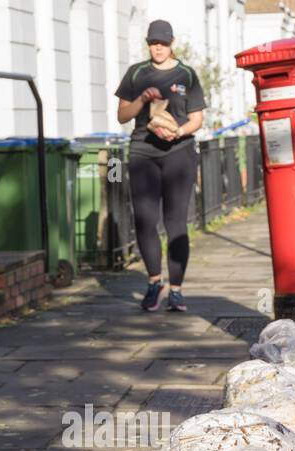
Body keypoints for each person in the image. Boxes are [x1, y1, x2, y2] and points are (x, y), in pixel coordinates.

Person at [115, 19, 206, 312]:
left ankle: (176, 290)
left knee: (176, 222)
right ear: (148, 44)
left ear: (172, 43)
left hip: (178, 151)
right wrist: (142, 98)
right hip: (143, 151)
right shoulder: (137, 73)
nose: (158, 48)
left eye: (163, 43)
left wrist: (178, 132)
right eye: (154, 43)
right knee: (144, 218)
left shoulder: (186, 74)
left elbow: (197, 118)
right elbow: (122, 115)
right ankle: (155, 282)